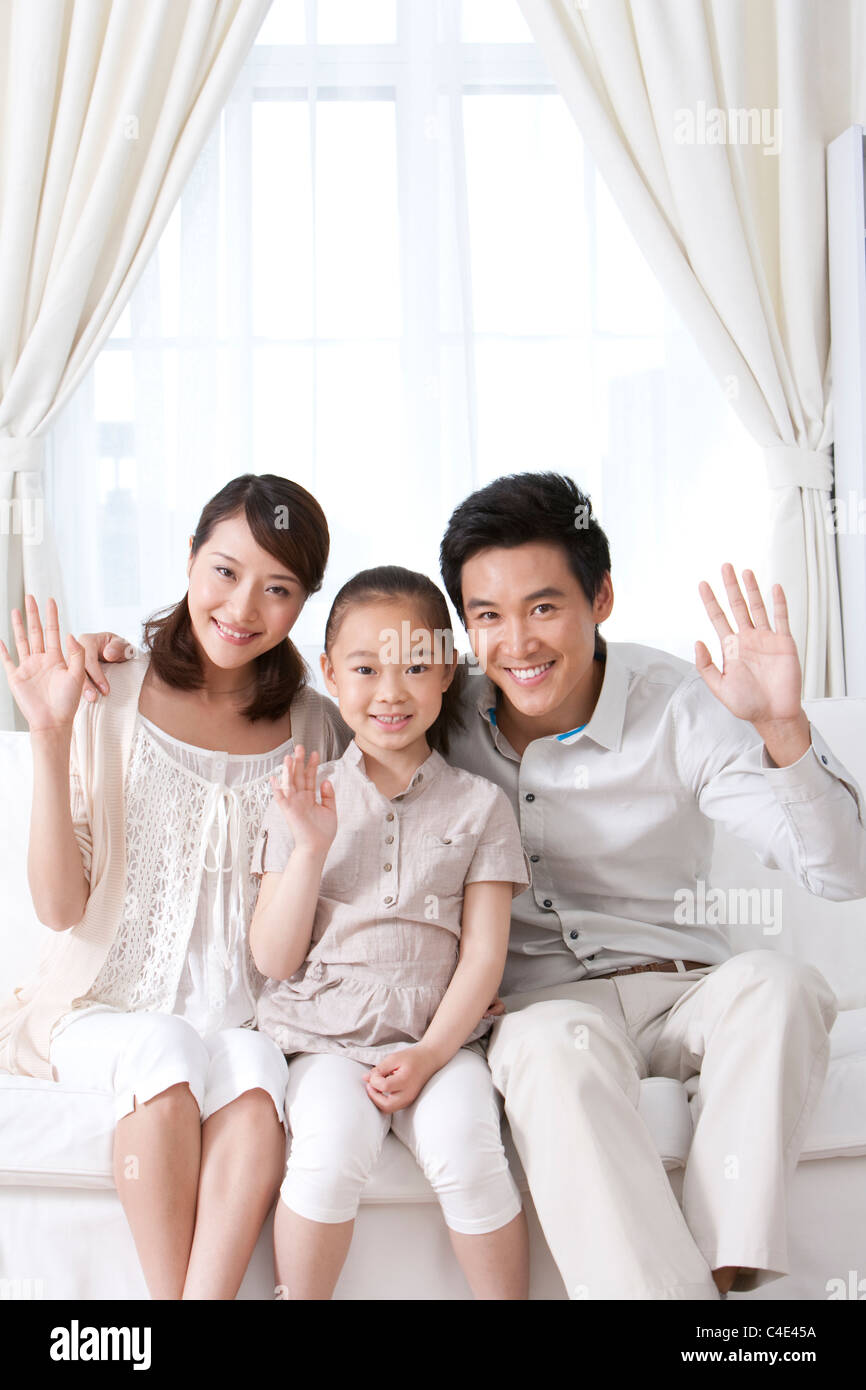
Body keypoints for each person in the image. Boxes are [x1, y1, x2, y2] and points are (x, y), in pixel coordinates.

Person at [436, 470, 866, 1300]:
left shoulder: (679, 704)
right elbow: (311, 706)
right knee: (545, 1054)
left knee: (782, 987)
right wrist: (117, 661)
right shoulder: (438, 716)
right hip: (543, 1009)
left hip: (685, 991)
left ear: (601, 598)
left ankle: (723, 1274)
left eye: (543, 606)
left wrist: (782, 726)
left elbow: (843, 872)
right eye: (486, 615)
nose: (516, 642)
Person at [0, 473, 352, 1300]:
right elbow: (59, 909)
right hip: (99, 1011)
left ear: (304, 602)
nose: (242, 607)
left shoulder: (314, 727)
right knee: (165, 1049)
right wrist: (49, 738)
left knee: (259, 1069)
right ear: (190, 557)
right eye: (225, 571)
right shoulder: (104, 693)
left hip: (235, 1011)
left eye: (279, 588)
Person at [250, 566, 531, 1300]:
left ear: (447, 671)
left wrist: (433, 1052)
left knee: (469, 1148)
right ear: (330, 674)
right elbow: (273, 959)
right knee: (328, 1150)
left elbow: (485, 955)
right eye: (367, 668)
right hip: (327, 1040)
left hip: (440, 1041)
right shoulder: (299, 794)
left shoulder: (481, 806)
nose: (391, 691)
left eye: (414, 666)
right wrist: (310, 846)